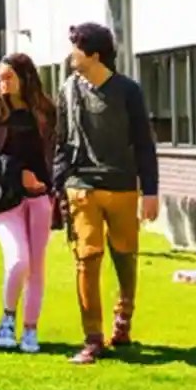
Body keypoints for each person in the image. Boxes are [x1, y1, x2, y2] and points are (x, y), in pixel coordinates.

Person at [53, 22, 159, 365]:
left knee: (125, 258)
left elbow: (144, 143)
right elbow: (60, 142)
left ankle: (123, 319)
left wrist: (151, 191)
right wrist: (60, 182)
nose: (71, 54)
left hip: (123, 187)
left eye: (76, 48)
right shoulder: (68, 90)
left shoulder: (128, 91)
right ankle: (93, 338)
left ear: (95, 54)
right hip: (82, 186)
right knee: (87, 258)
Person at [0, 53, 56, 353]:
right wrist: (19, 174)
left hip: (42, 199)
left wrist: (50, 185)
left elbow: (56, 153)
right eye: (0, 78)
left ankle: (30, 330)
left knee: (38, 268)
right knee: (18, 261)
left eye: (9, 77)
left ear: (25, 78)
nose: (3, 83)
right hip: (5, 198)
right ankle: (7, 318)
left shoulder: (45, 112)